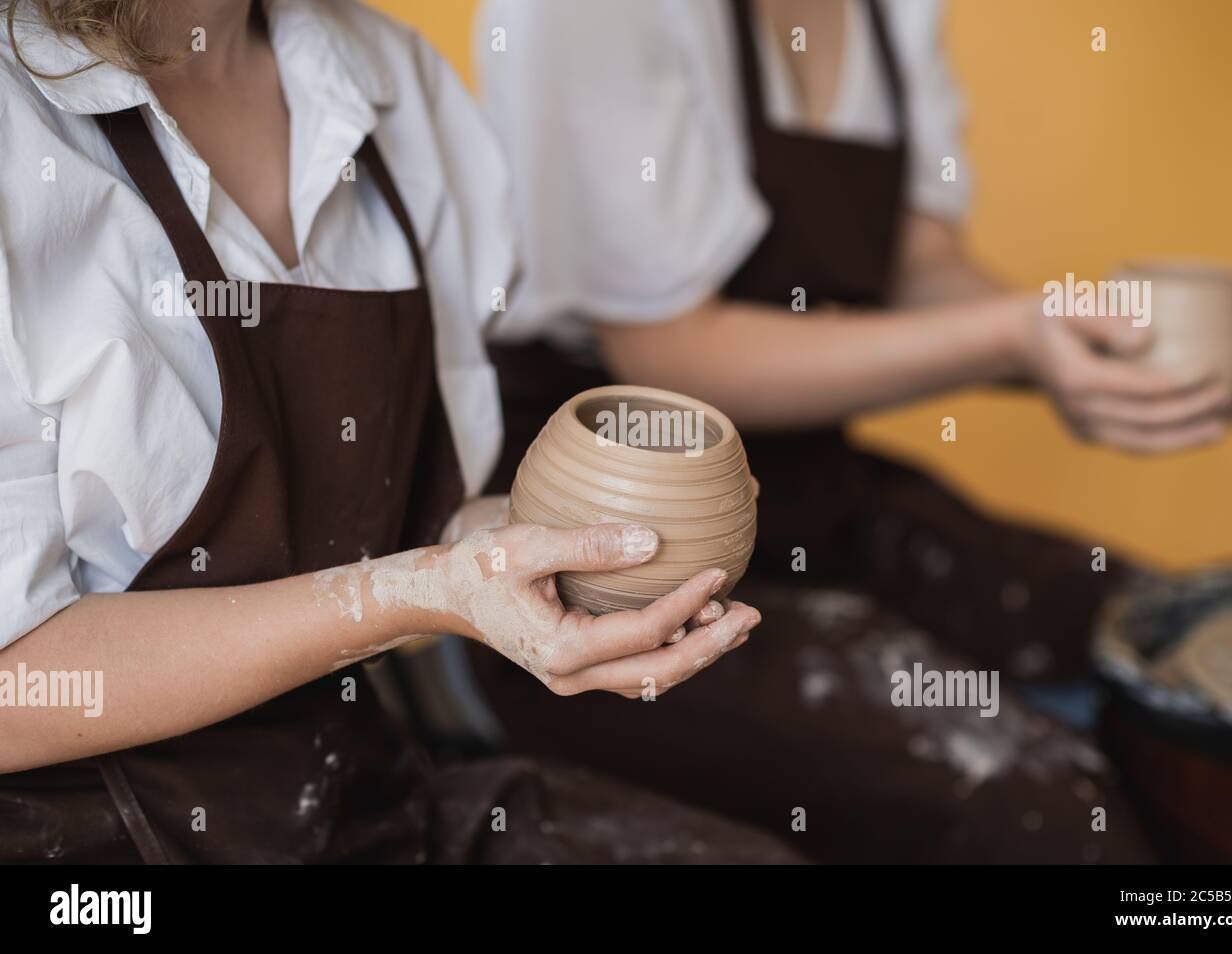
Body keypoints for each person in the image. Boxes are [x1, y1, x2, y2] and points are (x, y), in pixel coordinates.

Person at [463, 0, 1232, 862]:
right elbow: (668, 353)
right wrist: (1013, 335)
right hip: (609, 559)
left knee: (1160, 647)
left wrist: (1082, 343)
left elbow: (917, 266)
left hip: (812, 488)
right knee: (1030, 803)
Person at [0, 0, 803, 864]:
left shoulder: (386, 79)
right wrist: (421, 593)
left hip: (345, 793)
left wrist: (570, 551)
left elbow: (422, 534)